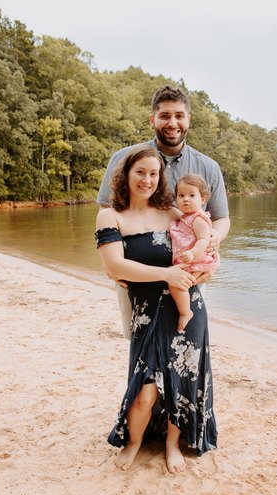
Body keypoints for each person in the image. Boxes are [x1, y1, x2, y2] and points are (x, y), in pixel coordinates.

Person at [95, 145, 217, 474]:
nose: (147, 179)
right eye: (141, 172)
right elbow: (116, 265)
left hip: (187, 308)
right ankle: (133, 441)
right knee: (144, 391)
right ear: (126, 175)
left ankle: (172, 443)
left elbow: (204, 238)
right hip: (146, 314)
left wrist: (212, 265)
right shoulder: (111, 216)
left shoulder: (171, 212)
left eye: (154, 174)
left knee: (183, 378)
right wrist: (165, 273)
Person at [97, 85, 230, 338]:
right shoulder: (124, 159)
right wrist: (111, 261)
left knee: (186, 343)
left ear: (188, 119)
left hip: (187, 272)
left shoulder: (209, 167)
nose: (173, 122)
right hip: (137, 274)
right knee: (142, 346)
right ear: (152, 120)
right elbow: (107, 211)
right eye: (165, 116)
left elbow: (221, 218)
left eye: (179, 115)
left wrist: (212, 244)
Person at [169, 174, 220, 331]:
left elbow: (203, 240)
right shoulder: (186, 217)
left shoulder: (198, 218)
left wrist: (192, 253)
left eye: (192, 195)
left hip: (195, 259)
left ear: (203, 199)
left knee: (176, 284)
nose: (186, 199)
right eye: (181, 195)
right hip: (189, 258)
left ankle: (185, 312)